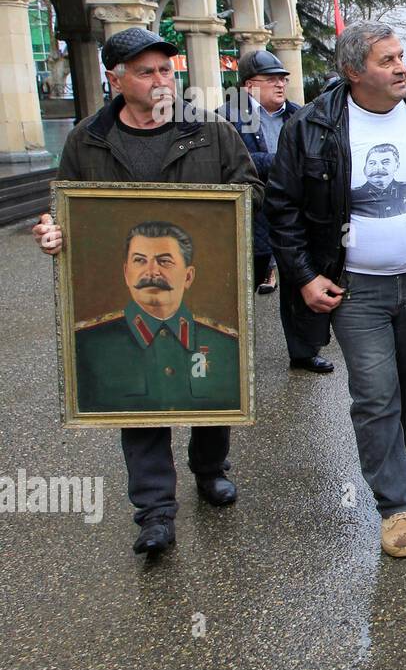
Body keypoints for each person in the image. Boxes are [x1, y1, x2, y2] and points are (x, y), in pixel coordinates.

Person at [31, 27, 261, 557]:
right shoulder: (87, 140)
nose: (161, 81)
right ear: (115, 79)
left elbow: (250, 191)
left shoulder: (211, 130)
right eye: (146, 72)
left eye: (166, 70)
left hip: (202, 286)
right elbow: (65, 208)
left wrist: (219, 217)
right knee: (137, 396)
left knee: (211, 381)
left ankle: (210, 469)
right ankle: (154, 512)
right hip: (130, 290)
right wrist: (52, 232)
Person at [266, 21, 406, 559]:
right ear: (352, 71)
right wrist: (303, 275)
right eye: (387, 61)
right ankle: (395, 505)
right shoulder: (312, 127)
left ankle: (392, 454)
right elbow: (281, 208)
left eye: (401, 57)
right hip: (354, 291)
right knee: (374, 393)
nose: (401, 69)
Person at [225, 50, 332, 374]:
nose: (280, 84)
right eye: (270, 79)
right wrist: (285, 163)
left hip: (293, 217)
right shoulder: (228, 119)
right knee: (240, 289)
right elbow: (237, 164)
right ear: (247, 86)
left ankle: (303, 351)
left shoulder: (300, 117)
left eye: (282, 78)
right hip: (250, 219)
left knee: (297, 285)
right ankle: (230, 354)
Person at [76, 222, 241, 412]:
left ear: (188, 276)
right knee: (144, 440)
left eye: (165, 261)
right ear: (126, 274)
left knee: (212, 438)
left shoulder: (225, 344)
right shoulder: (88, 344)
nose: (152, 271)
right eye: (139, 260)